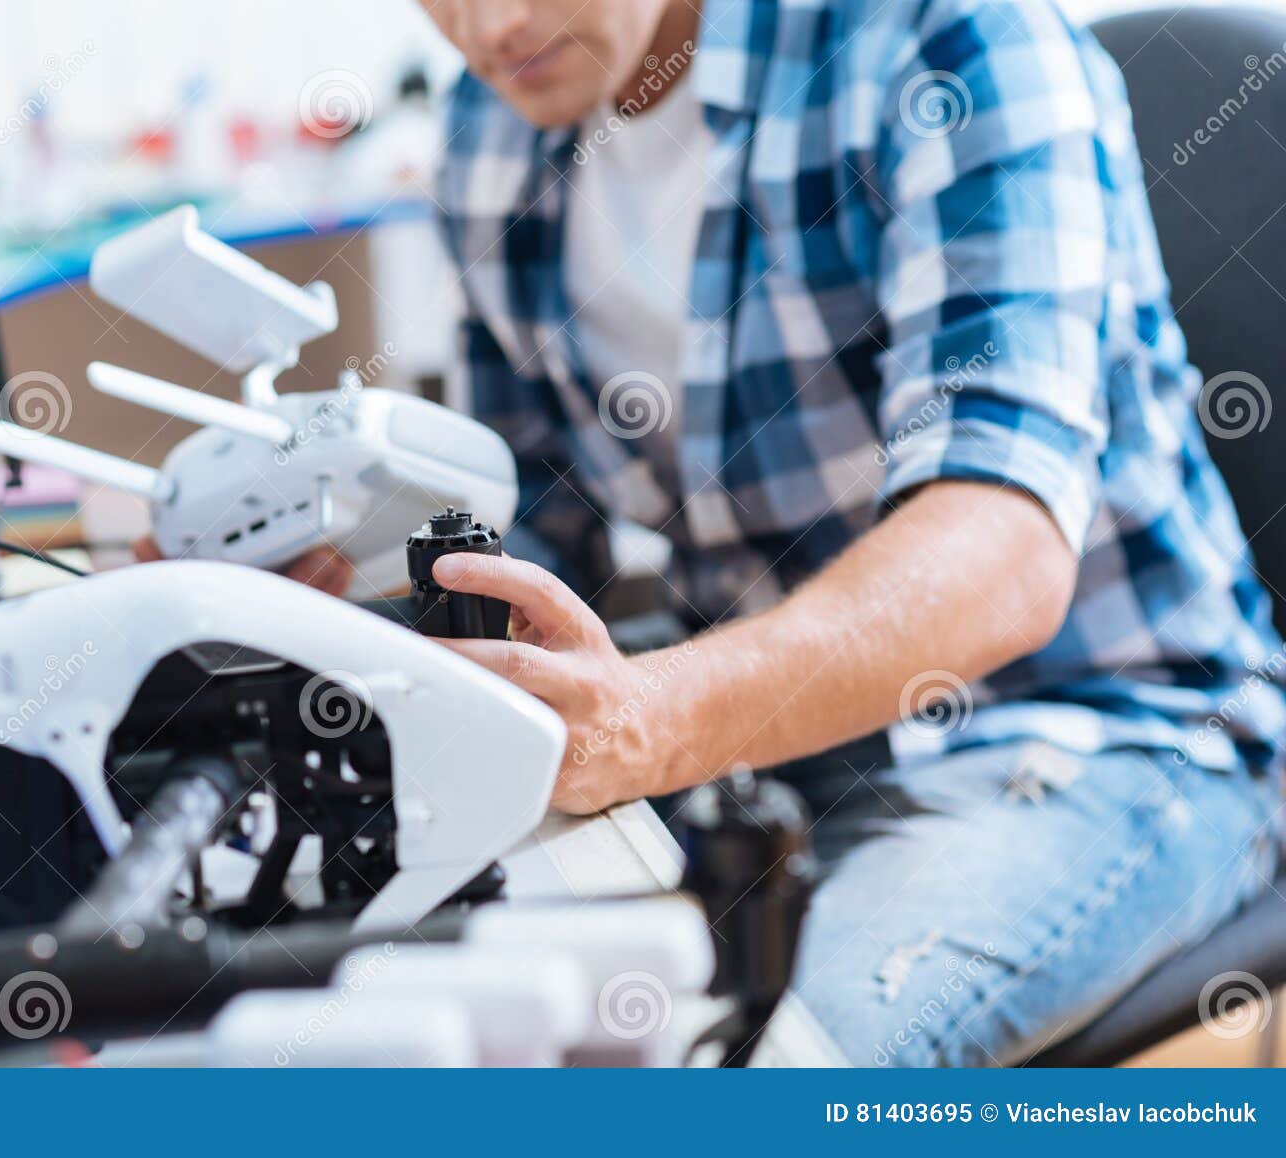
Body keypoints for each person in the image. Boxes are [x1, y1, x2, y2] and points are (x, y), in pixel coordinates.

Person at [383, 0, 1286, 1065]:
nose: (490, 31)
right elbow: (529, 529)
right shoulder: (491, 133)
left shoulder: (951, 44)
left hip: (1093, 733)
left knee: (765, 1071)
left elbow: (999, 554)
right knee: (463, 1031)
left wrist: (651, 719)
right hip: (759, 755)